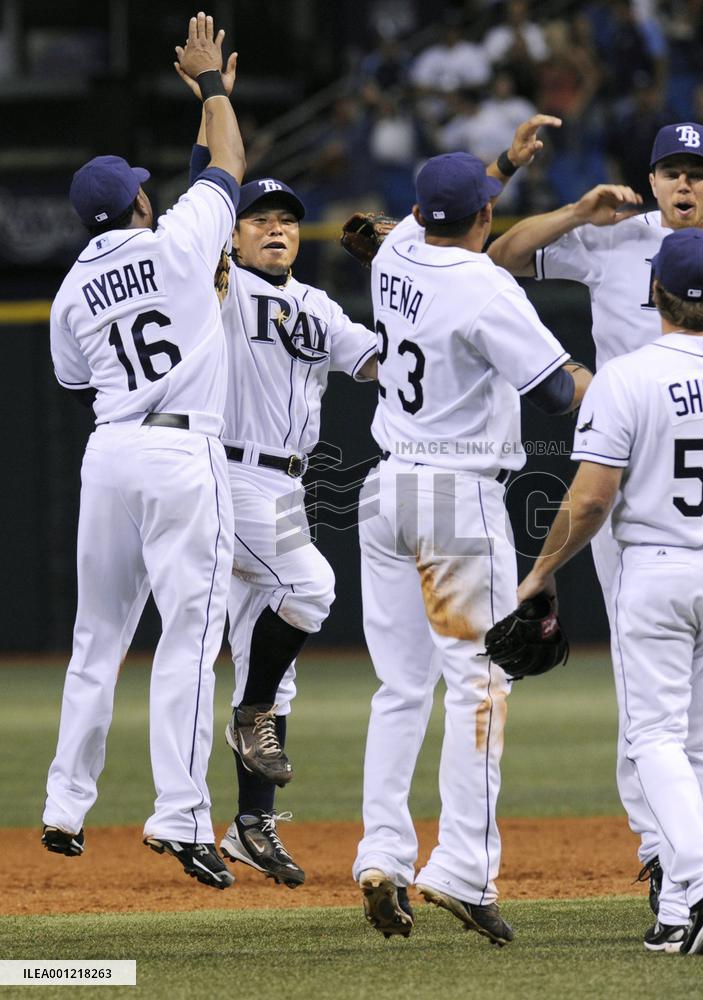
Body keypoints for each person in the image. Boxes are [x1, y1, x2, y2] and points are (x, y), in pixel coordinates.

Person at [488, 120, 703, 914]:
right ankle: (667, 850)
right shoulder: (614, 235)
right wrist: (575, 212)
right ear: (651, 179)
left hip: (671, 486)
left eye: (696, 171)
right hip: (642, 484)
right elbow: (500, 256)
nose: (681, 183)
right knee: (664, 691)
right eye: (669, 170)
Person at [353, 117, 593, 946]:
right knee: (483, 683)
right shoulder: (488, 290)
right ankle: (461, 866)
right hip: (456, 496)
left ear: (423, 212)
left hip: (383, 492)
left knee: (400, 688)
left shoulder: (393, 253)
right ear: (482, 217)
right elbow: (560, 391)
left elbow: (441, 217)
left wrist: (500, 168)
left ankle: (381, 855)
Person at [42, 13, 245, 889]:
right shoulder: (176, 242)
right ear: (137, 202)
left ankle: (63, 806)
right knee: (191, 638)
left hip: (110, 452)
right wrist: (211, 90)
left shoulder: (68, 288)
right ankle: (181, 814)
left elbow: (69, 378)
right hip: (179, 455)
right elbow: (228, 168)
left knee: (97, 639)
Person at [176, 59, 378, 888]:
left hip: (285, 486)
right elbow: (202, 192)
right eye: (258, 217)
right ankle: (242, 726)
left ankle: (250, 823)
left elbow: (379, 364)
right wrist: (213, 100)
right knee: (315, 590)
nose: (275, 228)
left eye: (286, 220)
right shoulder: (214, 288)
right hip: (225, 476)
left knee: (269, 657)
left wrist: (398, 273)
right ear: (231, 232)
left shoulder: (319, 306)